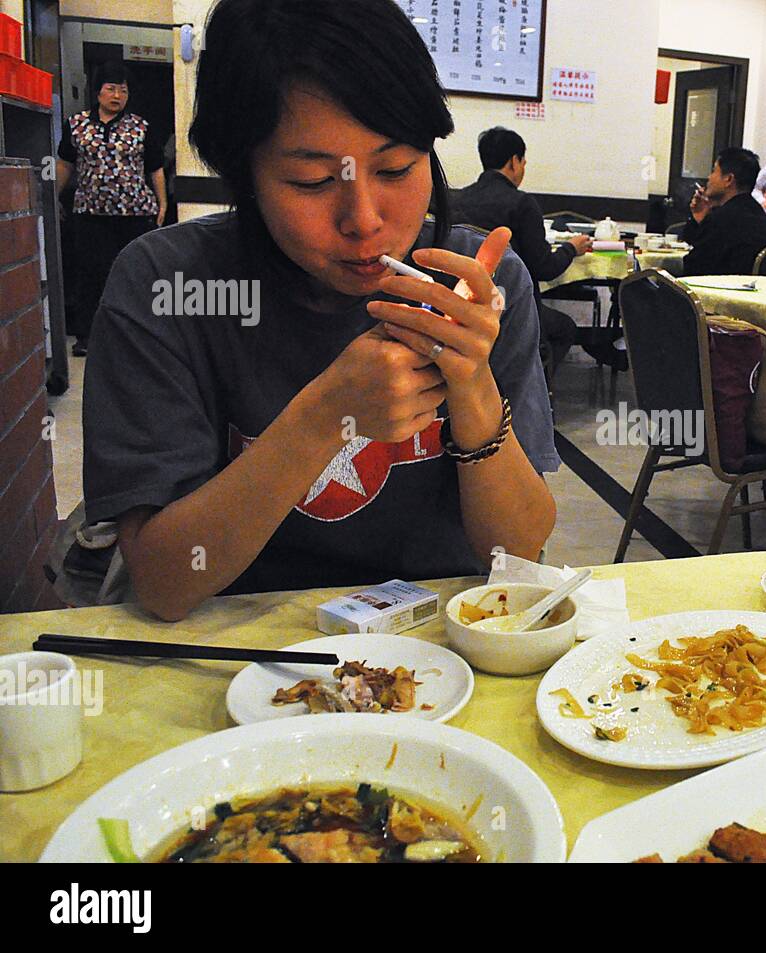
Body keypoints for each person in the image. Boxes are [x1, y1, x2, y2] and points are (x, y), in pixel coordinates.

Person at [80, 0, 558, 621]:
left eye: (395, 168)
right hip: (236, 651)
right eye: (310, 181)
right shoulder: (166, 284)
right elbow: (166, 583)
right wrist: (326, 416)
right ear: (242, 174)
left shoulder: (478, 285)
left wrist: (470, 385)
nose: (363, 219)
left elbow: (520, 553)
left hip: (440, 654)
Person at [451, 127, 589, 383]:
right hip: (513, 312)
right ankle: (529, 389)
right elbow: (545, 267)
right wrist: (572, 248)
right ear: (514, 161)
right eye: (523, 162)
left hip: (459, 311)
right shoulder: (521, 204)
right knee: (564, 328)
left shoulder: (457, 199)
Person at [55, 62, 167, 356]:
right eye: (111, 88)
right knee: (91, 274)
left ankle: (136, 336)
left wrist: (162, 201)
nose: (118, 95)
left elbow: (154, 167)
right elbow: (65, 164)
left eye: (124, 90)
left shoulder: (141, 126)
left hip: (135, 213)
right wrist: (52, 197)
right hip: (90, 214)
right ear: (98, 92)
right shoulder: (76, 124)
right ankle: (87, 336)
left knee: (135, 274)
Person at [680, 147, 766, 277]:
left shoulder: (722, 218)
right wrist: (700, 220)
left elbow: (693, 268)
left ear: (729, 179)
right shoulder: (758, 213)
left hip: (718, 290)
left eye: (714, 171)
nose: (709, 177)